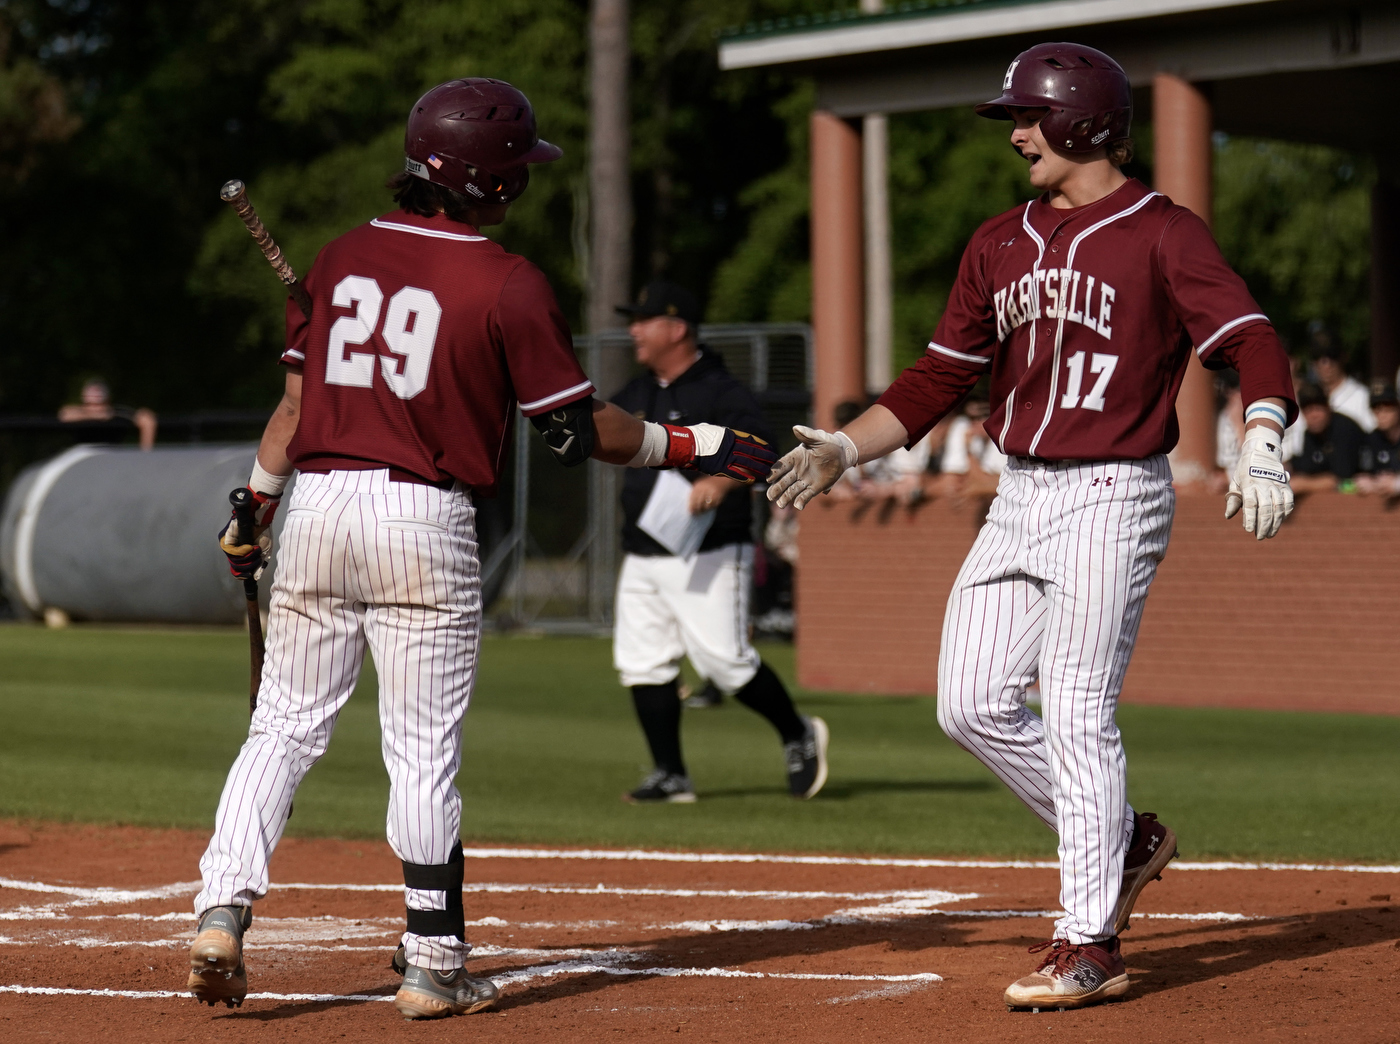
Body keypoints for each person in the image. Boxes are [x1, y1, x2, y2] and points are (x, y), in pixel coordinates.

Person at [191, 81, 775, 1020]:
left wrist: (253, 509)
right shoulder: (508, 280)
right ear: (493, 182)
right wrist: (700, 444)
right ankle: (431, 962)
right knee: (420, 754)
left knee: (285, 726)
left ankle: (221, 909)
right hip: (424, 517)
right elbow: (584, 432)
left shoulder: (339, 260)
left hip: (319, 504)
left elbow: (296, 416)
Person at [767, 42, 1296, 1013]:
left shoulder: (1161, 233)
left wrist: (1261, 434)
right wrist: (848, 448)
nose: (1014, 136)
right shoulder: (995, 242)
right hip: (1017, 495)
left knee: (1079, 709)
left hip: (1111, 492)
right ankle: (1123, 840)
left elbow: (1249, 341)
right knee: (966, 703)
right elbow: (936, 376)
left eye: (1026, 117)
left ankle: (1087, 939)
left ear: (1081, 123)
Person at [610, 281, 828, 804]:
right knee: (643, 662)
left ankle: (798, 733)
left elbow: (765, 452)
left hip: (709, 550)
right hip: (642, 551)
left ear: (677, 328)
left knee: (725, 664)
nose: (633, 330)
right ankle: (671, 774)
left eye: (644, 320)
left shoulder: (722, 392)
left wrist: (721, 479)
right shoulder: (638, 393)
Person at [1289, 383, 1366, 492]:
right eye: (1308, 410)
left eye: (1318, 408)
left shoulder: (1344, 428)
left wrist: (1301, 484)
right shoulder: (1309, 434)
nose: (1314, 415)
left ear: (1328, 407)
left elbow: (1340, 479)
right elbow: (1306, 471)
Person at [57, 377, 157, 450]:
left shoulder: (117, 415)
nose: (93, 408)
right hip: (83, 461)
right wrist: (95, 416)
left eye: (98, 404)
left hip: (111, 460)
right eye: (89, 404)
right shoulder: (78, 416)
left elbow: (147, 419)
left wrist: (144, 456)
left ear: (107, 402)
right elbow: (64, 414)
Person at [1310, 337, 1374, 432]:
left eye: (1333, 356)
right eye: (1319, 358)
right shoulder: (1306, 399)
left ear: (1343, 358)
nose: (1327, 364)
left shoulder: (1362, 397)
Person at [1358, 386, 1400, 495]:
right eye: (1376, 409)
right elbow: (1364, 475)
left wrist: (1396, 484)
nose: (1382, 414)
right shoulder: (1371, 439)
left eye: (1387, 407)